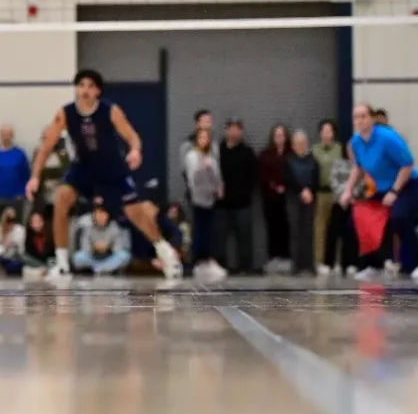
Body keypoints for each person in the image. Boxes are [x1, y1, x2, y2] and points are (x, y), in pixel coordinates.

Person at [26, 69, 182, 283]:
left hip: (111, 169)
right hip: (83, 168)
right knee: (62, 199)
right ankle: (62, 264)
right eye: (81, 85)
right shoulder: (66, 113)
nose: (85, 90)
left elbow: (132, 136)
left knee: (136, 214)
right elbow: (46, 148)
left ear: (98, 91)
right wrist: (34, 177)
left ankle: (166, 252)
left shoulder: (110, 110)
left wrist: (135, 150)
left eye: (90, 86)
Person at [344, 101, 418, 282]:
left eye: (363, 116)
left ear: (372, 118)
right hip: (382, 189)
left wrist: (394, 191)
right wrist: (348, 191)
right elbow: (359, 169)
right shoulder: (356, 142)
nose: (360, 121)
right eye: (356, 117)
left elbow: (407, 164)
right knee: (358, 219)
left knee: (398, 217)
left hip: (409, 186)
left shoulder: (387, 137)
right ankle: (374, 265)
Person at [183, 124, 226, 282]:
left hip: (210, 198)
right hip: (198, 197)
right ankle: (198, 260)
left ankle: (207, 259)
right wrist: (203, 167)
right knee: (199, 229)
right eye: (201, 137)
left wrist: (219, 186)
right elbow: (192, 178)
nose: (204, 140)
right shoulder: (192, 156)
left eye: (206, 138)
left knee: (209, 230)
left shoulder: (211, 157)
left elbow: (217, 176)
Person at [217, 119, 258, 273]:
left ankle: (245, 266)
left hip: (243, 203)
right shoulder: (218, 150)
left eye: (237, 130)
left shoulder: (247, 152)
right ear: (227, 131)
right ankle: (221, 265)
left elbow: (254, 176)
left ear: (241, 132)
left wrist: (246, 192)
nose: (234, 133)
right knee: (220, 237)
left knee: (244, 237)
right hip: (222, 203)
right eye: (231, 129)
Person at [285, 129, 320, 276]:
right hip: (294, 198)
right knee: (295, 232)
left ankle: (309, 264)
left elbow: (316, 178)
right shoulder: (289, 161)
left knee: (308, 231)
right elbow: (288, 179)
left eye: (303, 143)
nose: (301, 146)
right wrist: (301, 190)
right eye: (297, 143)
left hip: (310, 199)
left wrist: (310, 190)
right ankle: (296, 264)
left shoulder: (313, 161)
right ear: (293, 145)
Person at [313, 119, 346, 272]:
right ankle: (320, 262)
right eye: (324, 131)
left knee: (336, 228)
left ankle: (337, 261)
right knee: (320, 228)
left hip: (336, 193)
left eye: (329, 131)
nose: (326, 134)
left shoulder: (340, 149)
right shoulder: (314, 150)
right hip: (320, 192)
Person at [258, 124, 292, 274]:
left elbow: (294, 172)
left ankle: (286, 257)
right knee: (272, 228)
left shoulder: (291, 153)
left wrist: (285, 185)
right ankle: (273, 257)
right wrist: (273, 185)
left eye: (282, 135)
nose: (279, 137)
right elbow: (262, 175)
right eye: (277, 135)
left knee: (286, 228)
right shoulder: (266, 154)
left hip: (287, 198)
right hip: (270, 198)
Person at [0, 124, 30, 227]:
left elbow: (26, 175)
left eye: (9, 134)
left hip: (15, 199)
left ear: (12, 136)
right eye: (4, 134)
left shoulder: (20, 154)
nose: (6, 136)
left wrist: (22, 194)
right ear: (0, 135)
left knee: (16, 229)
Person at [72, 201, 132, 275]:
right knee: (78, 258)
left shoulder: (114, 226)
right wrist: (94, 248)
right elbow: (85, 249)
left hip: (109, 257)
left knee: (125, 256)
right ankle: (105, 269)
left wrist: (108, 247)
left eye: (103, 213)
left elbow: (118, 249)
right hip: (93, 257)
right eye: (98, 213)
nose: (100, 216)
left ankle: (100, 269)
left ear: (108, 215)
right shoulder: (88, 227)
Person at [22, 208, 57, 277]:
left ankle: (47, 269)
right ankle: (43, 269)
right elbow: (28, 252)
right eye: (34, 222)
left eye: (38, 221)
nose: (37, 224)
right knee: (24, 257)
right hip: (36, 262)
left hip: (49, 260)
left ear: (43, 222)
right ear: (31, 224)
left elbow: (53, 252)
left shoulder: (50, 234)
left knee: (53, 260)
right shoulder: (29, 236)